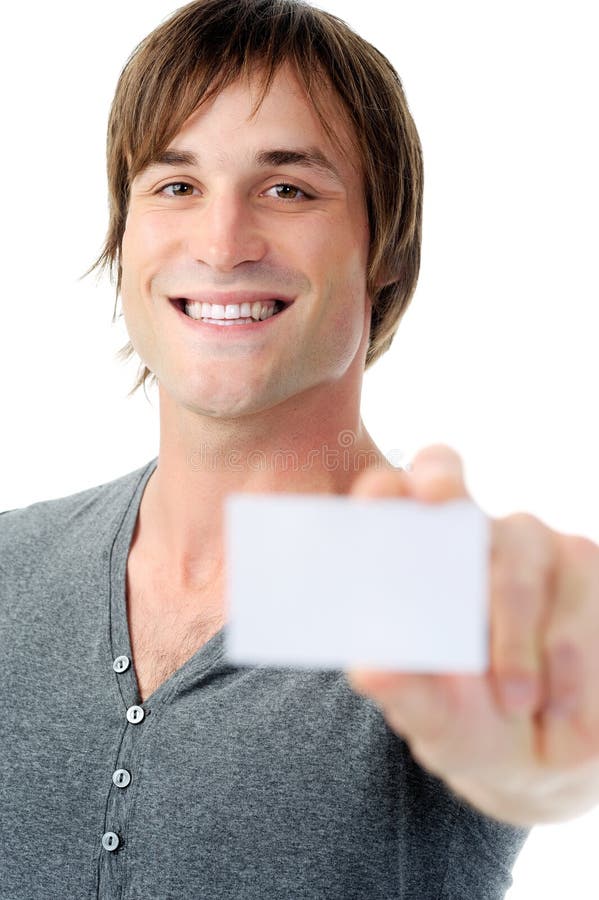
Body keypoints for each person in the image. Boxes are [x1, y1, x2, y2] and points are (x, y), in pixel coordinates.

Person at [4, 0, 599, 897]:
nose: (222, 241)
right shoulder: (13, 563)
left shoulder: (440, 589)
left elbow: (541, 766)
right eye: (176, 185)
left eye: (288, 188)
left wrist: (544, 751)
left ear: (384, 248)